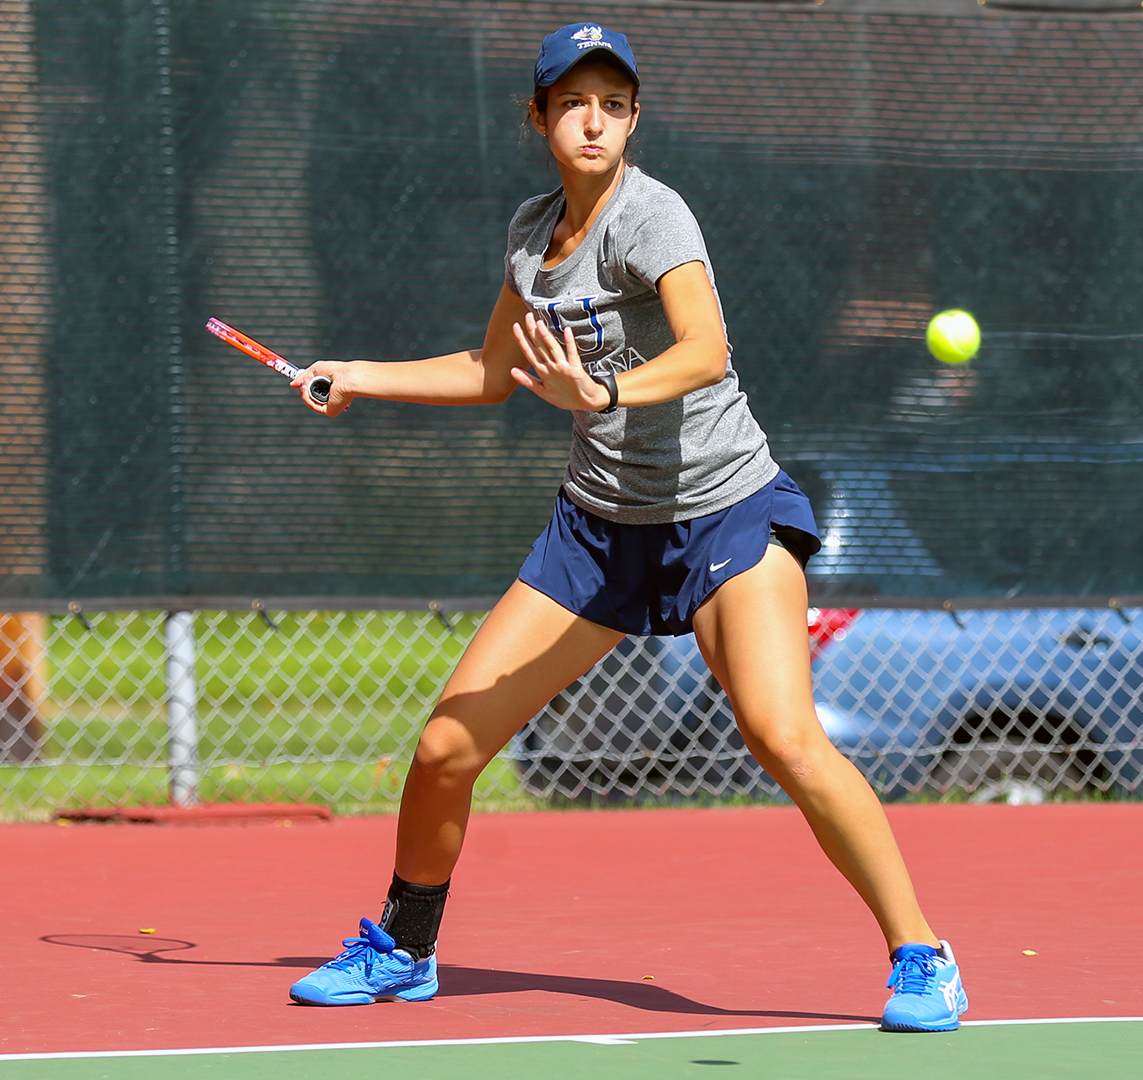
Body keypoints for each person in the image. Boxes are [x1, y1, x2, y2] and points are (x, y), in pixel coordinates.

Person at [284, 22, 967, 1033]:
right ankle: (404, 947)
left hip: (725, 514)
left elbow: (704, 351)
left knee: (782, 735)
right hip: (598, 530)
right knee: (443, 749)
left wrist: (603, 392)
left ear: (633, 117)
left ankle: (923, 956)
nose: (592, 119)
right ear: (539, 118)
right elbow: (491, 372)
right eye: (571, 102)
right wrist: (358, 376)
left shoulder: (653, 217)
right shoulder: (530, 233)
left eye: (612, 102)